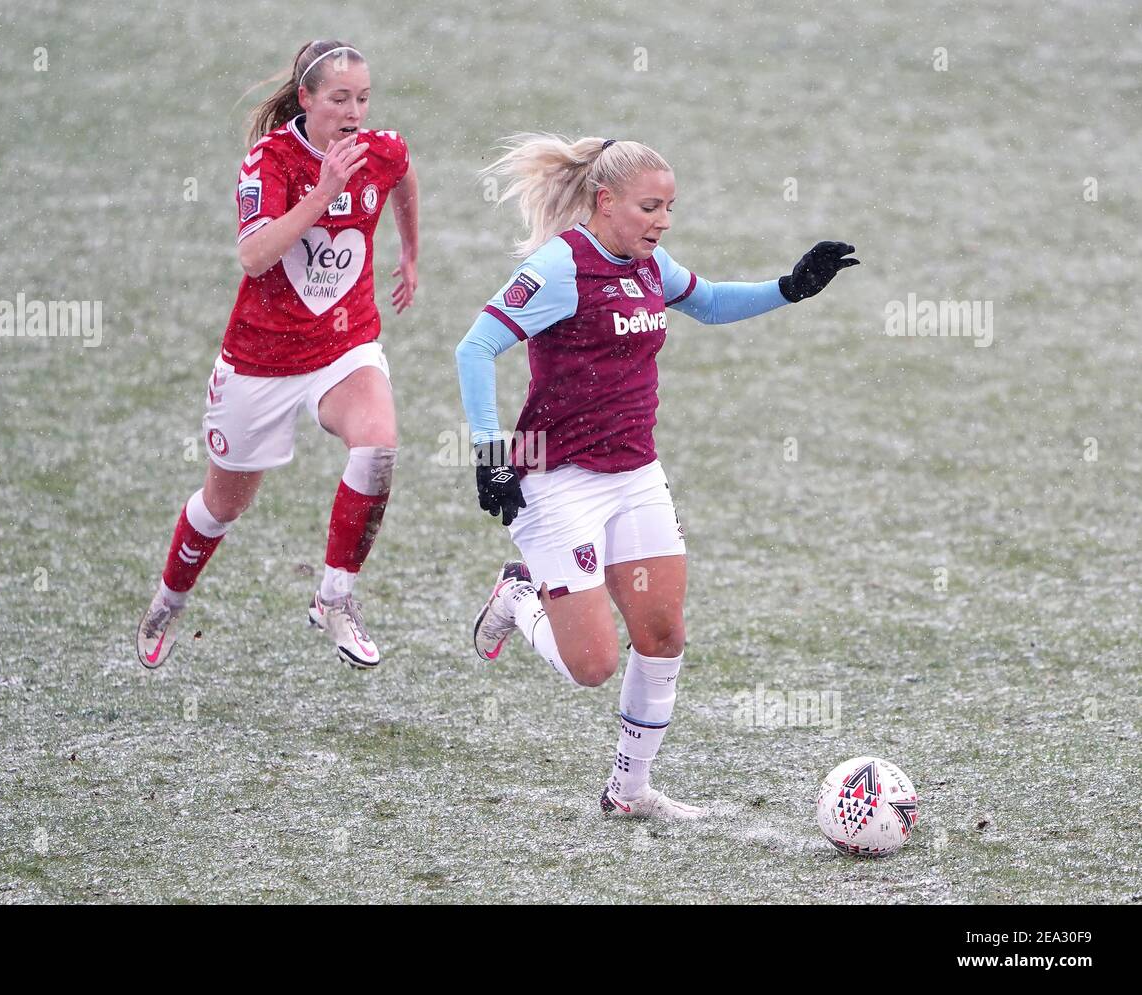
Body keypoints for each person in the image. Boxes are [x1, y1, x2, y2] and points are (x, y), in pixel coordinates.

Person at [455, 133, 857, 818]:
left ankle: (630, 790)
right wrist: (492, 454)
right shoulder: (560, 268)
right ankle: (519, 594)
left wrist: (789, 289)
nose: (663, 221)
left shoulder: (649, 263)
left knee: (663, 633)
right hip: (555, 480)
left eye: (669, 207)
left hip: (635, 472)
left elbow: (708, 301)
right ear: (604, 201)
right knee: (591, 665)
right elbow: (477, 345)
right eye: (650, 206)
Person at [137, 40, 419, 671]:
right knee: (223, 506)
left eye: (364, 98)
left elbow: (403, 173)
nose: (354, 111)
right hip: (260, 361)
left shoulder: (380, 149)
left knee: (377, 446)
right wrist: (322, 194)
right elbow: (254, 255)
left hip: (344, 345)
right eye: (340, 98)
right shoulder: (268, 163)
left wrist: (409, 252)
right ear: (307, 99)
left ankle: (334, 597)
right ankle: (169, 599)